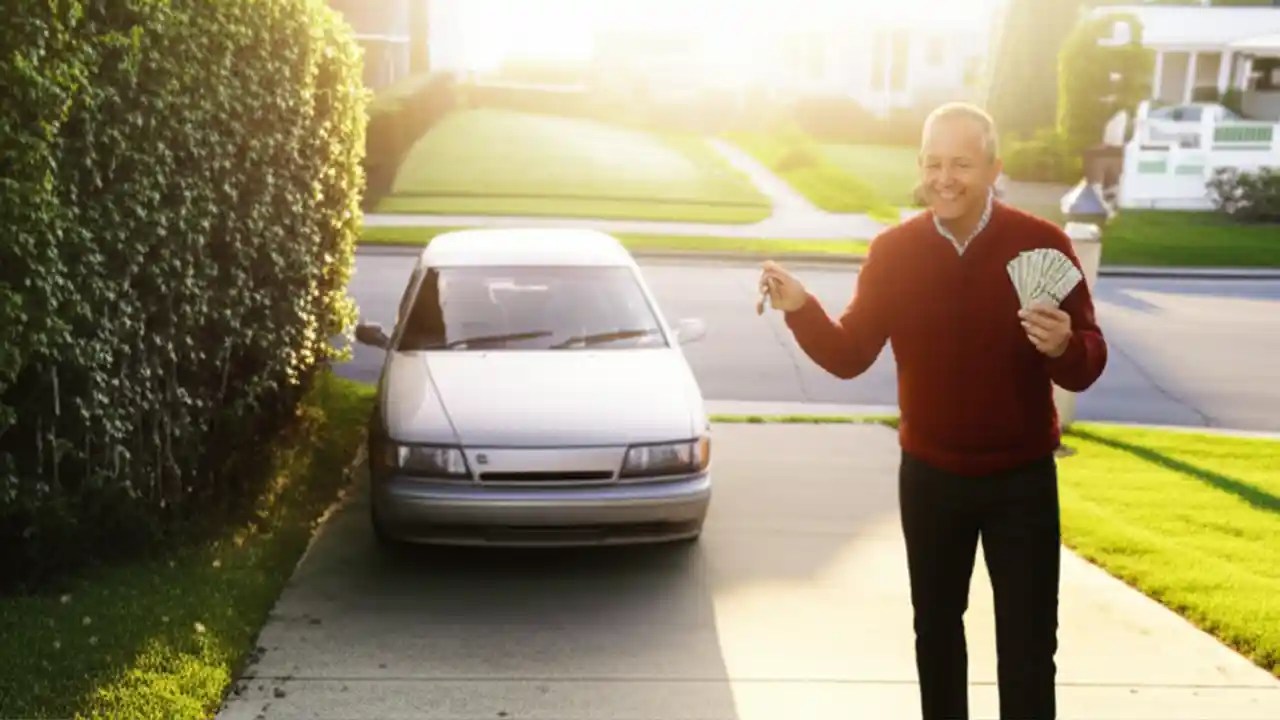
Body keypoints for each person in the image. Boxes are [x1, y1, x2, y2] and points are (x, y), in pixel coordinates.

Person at [758, 102, 1107, 720]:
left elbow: (1088, 357)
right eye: (932, 163)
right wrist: (801, 307)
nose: (944, 178)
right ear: (920, 167)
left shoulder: (1042, 243)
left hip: (1020, 480)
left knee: (1028, 648)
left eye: (962, 164)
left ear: (994, 168)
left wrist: (1065, 347)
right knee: (937, 636)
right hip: (930, 478)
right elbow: (849, 355)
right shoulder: (895, 252)